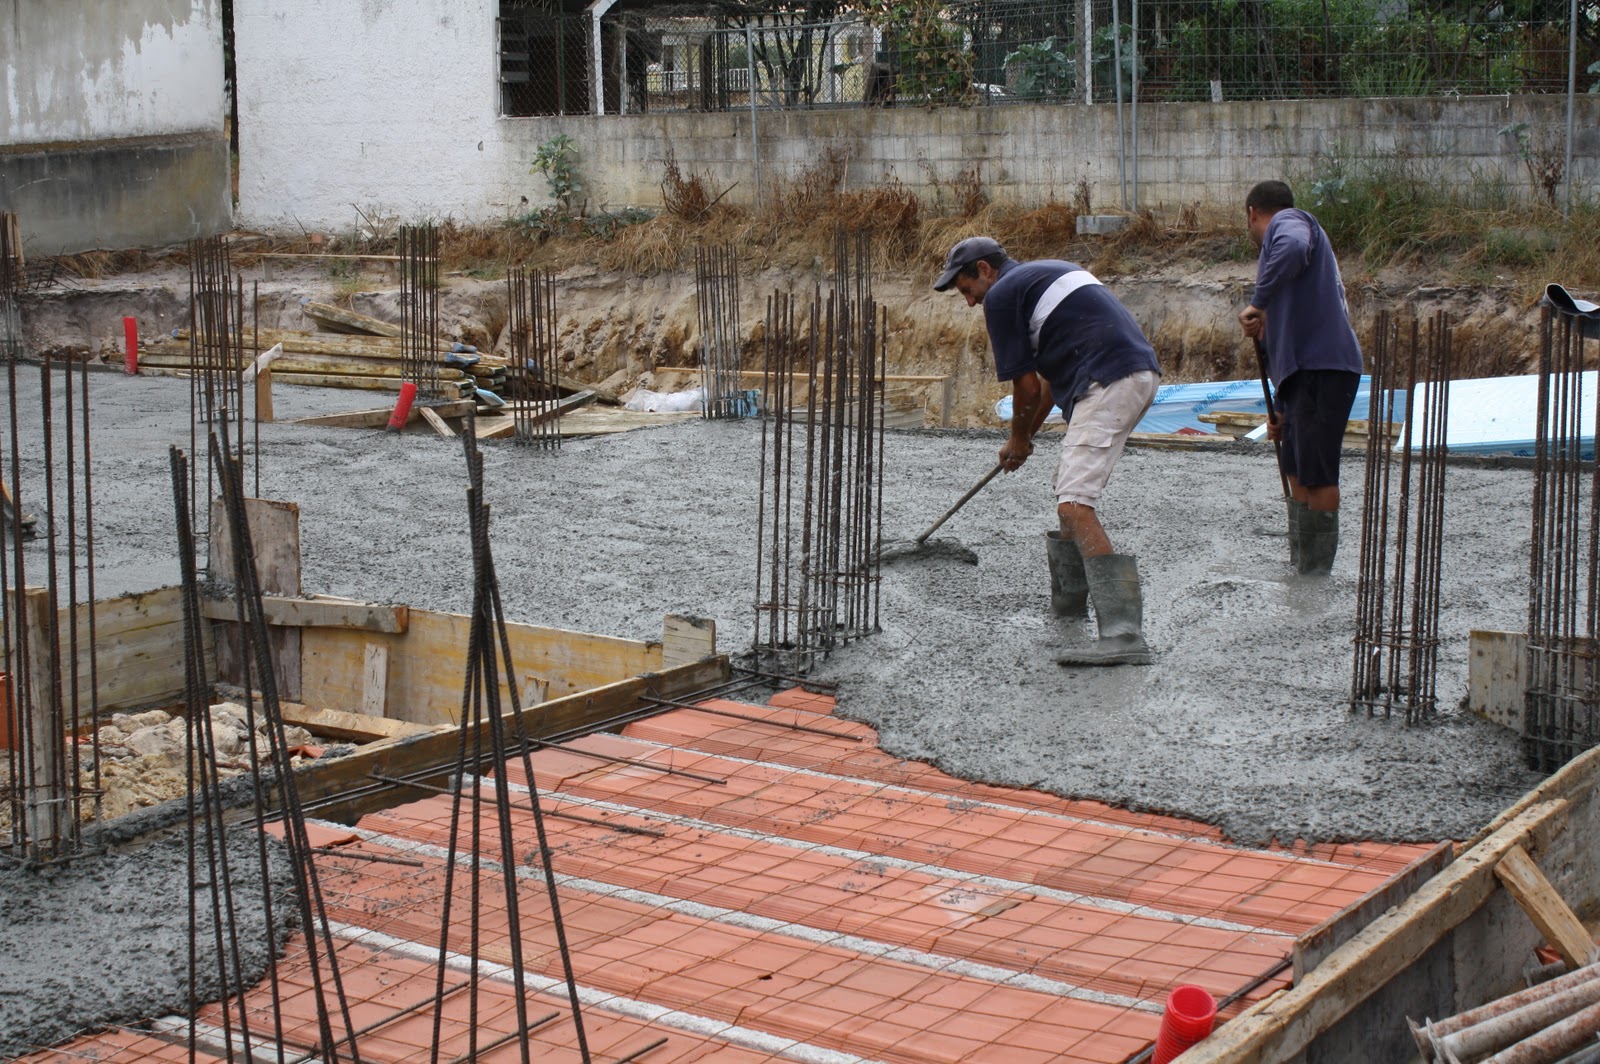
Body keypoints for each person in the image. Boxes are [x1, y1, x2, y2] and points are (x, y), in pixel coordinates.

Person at [934, 236, 1161, 666]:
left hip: (1109, 379)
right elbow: (1049, 386)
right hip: (1129, 372)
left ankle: (1124, 634)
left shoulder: (1001, 295)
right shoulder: (1042, 274)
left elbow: (1025, 386)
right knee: (1067, 492)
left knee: (1075, 504)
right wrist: (1024, 439)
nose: (969, 302)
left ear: (984, 270)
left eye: (966, 290)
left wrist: (1018, 439)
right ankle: (1070, 604)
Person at [1238, 180, 1363, 575]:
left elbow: (1291, 247)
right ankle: (1303, 565)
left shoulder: (1289, 223)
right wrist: (1279, 409)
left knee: (1317, 472)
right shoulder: (1292, 275)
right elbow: (1284, 348)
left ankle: (1315, 574)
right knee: (1295, 467)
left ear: (1253, 214)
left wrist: (1258, 302)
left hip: (1324, 369)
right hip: (1301, 375)